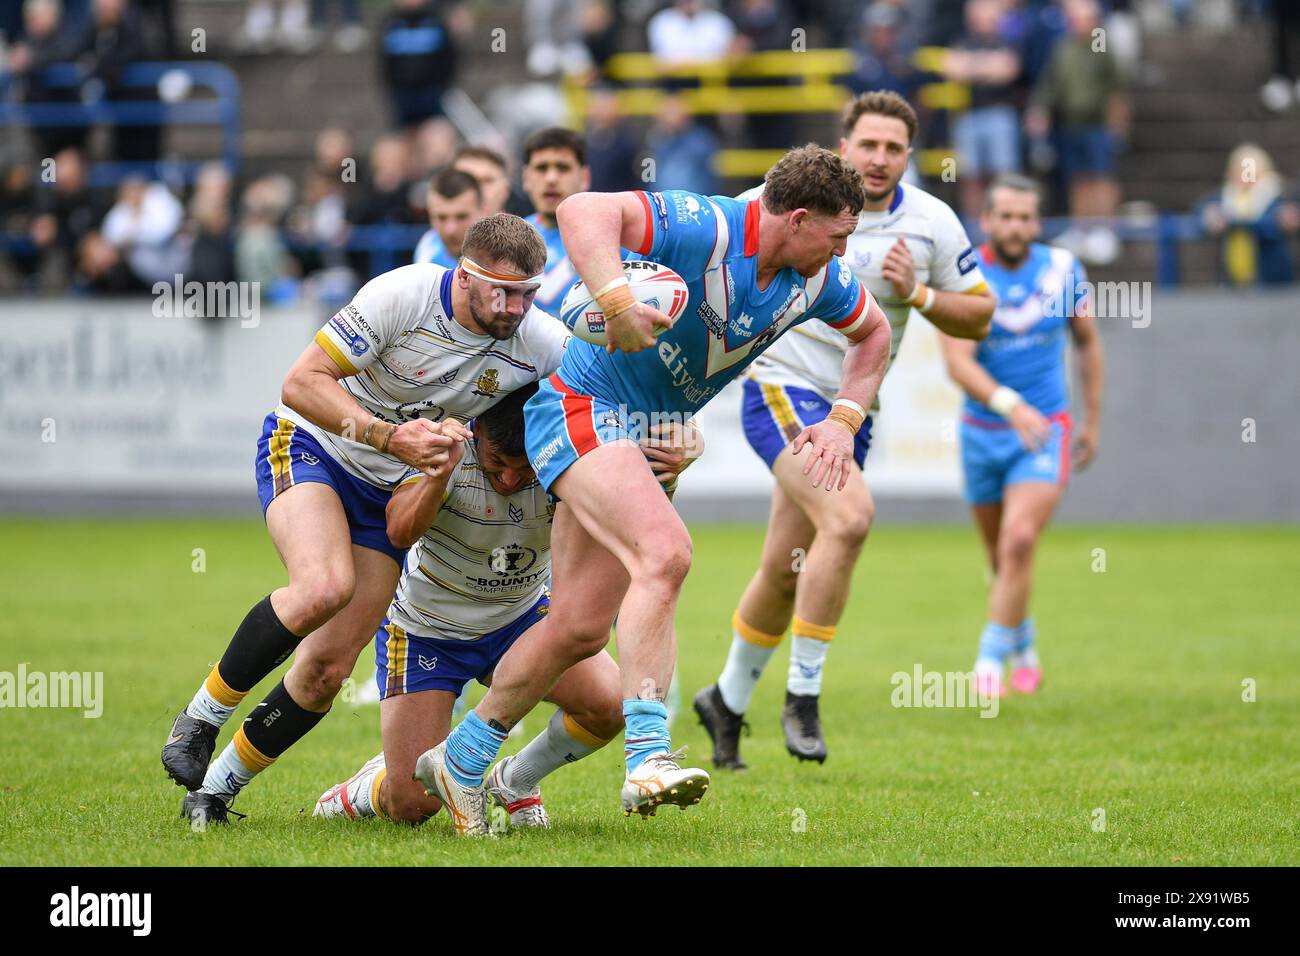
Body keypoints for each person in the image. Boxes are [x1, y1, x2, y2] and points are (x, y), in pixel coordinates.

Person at [418, 144, 893, 834]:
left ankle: (470, 761)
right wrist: (615, 300)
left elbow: (873, 336)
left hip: (650, 434)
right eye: (839, 234)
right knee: (665, 553)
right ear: (796, 220)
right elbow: (584, 210)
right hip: (580, 403)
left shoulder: (820, 280)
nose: (846, 249)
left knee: (579, 626)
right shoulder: (709, 226)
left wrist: (844, 421)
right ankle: (647, 756)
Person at [162, 215, 569, 824]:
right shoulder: (399, 296)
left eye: (528, 293)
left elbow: (601, 392)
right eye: (502, 292)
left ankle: (214, 792)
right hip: (317, 448)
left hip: (389, 492)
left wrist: (667, 437)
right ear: (464, 275)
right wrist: (386, 435)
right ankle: (200, 719)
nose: (516, 308)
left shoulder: (540, 341)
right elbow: (302, 382)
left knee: (327, 671)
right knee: (322, 587)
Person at [695, 91, 994, 769]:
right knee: (852, 518)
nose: (881, 158)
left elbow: (980, 316)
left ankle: (726, 700)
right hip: (781, 390)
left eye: (895, 148)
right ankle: (803, 696)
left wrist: (918, 293)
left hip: (853, 413)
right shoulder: (774, 202)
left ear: (909, 156)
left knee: (783, 569)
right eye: (870, 145)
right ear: (845, 144)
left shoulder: (932, 222)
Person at [313, 384, 704, 828]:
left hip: (521, 619)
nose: (510, 480)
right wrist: (438, 476)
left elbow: (641, 502)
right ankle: (365, 786)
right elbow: (399, 532)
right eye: (497, 464)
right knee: (413, 804)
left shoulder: (567, 461)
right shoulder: (447, 446)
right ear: (476, 431)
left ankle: (515, 780)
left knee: (609, 705)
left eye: (524, 469)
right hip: (428, 631)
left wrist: (678, 457)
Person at [940, 173, 1104, 698]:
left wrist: (1091, 418)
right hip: (983, 433)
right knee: (1001, 556)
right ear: (986, 221)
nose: (1016, 226)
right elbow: (958, 364)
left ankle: (989, 660)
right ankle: (1023, 635)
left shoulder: (1063, 270)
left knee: (1020, 540)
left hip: (1045, 431)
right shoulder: (965, 276)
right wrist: (1010, 406)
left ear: (1038, 222)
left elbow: (1088, 344)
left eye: (1026, 217)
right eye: (1005, 216)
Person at [1197, 143, 1298, 286]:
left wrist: (1232, 221)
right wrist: (1208, 218)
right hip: (1232, 280)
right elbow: (1201, 214)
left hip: (1272, 280)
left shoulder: (1278, 195)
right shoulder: (1224, 196)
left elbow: (1273, 225)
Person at [521, 126, 590, 314]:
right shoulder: (509, 240)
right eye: (541, 168)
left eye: (563, 168)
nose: (551, 178)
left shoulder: (614, 238)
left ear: (584, 177)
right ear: (526, 178)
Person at [413, 168, 484, 268]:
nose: (451, 229)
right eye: (441, 218)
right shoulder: (428, 250)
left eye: (462, 217)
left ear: (482, 211)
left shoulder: (504, 255)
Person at [452, 145, 512, 217]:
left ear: (506, 189)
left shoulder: (527, 227)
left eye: (487, 181)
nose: (478, 189)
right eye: (467, 180)